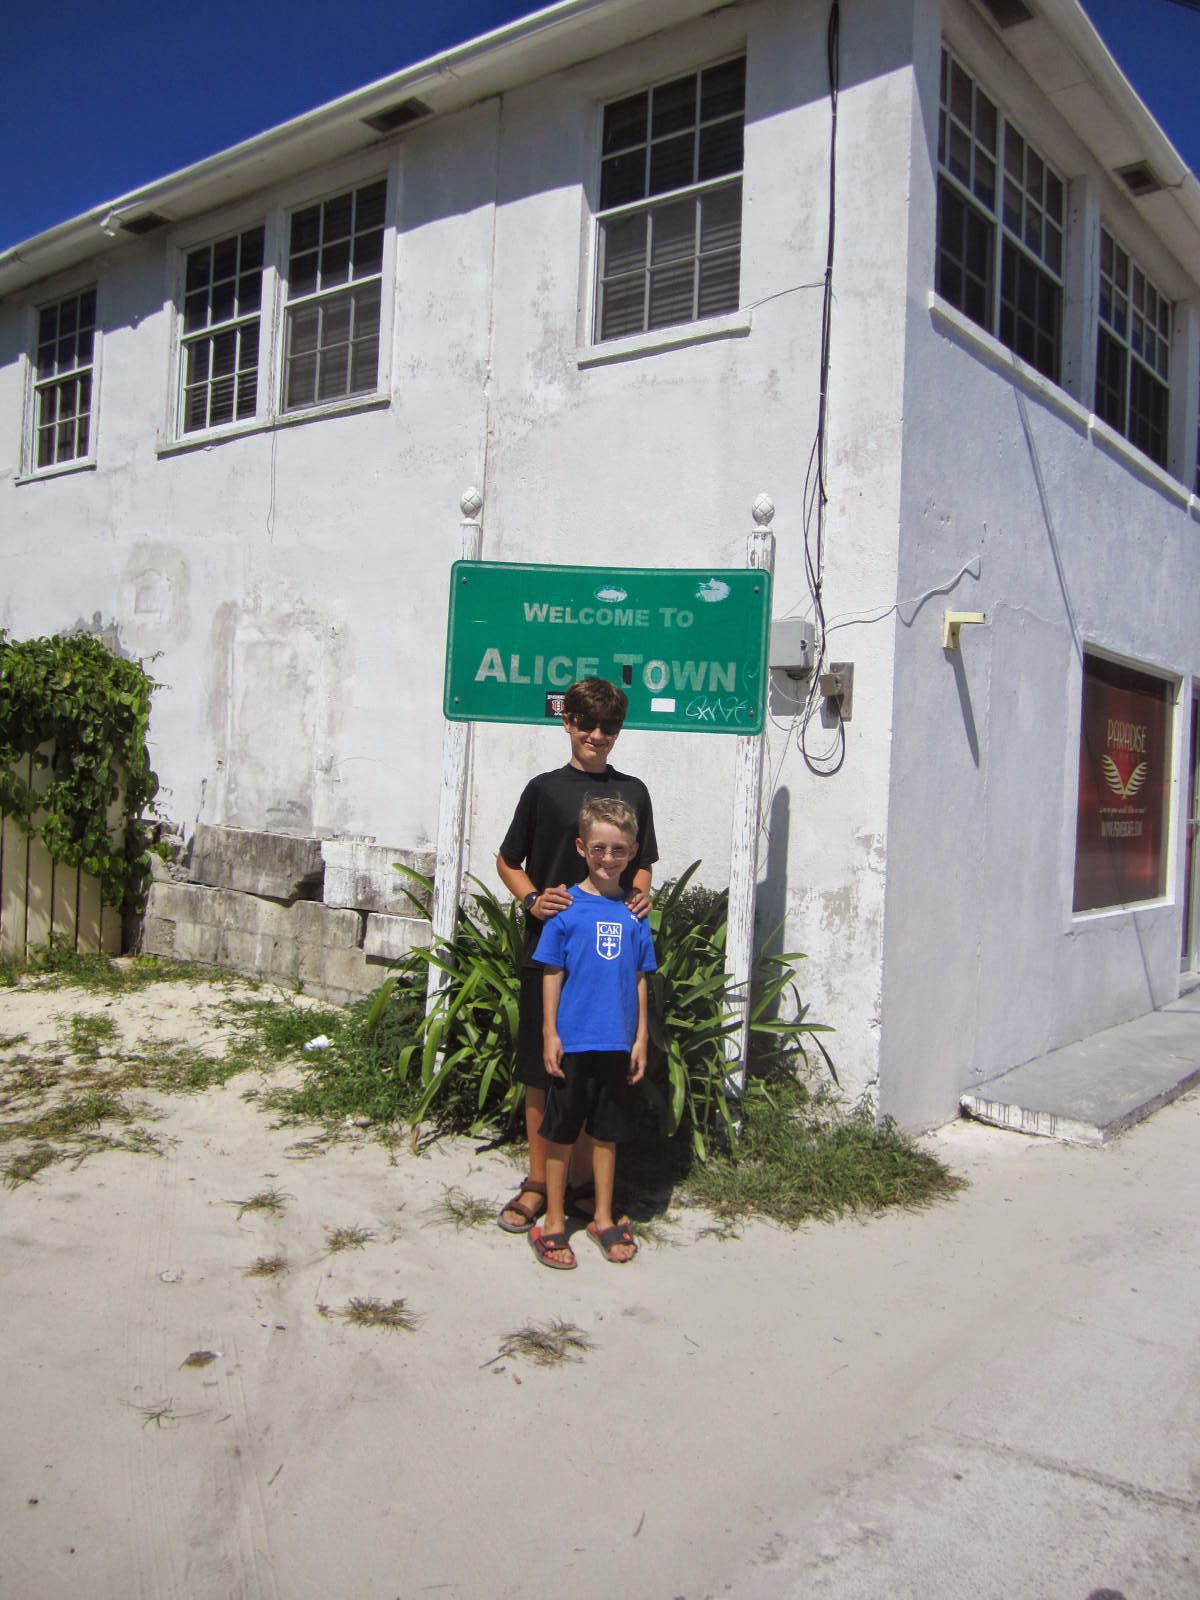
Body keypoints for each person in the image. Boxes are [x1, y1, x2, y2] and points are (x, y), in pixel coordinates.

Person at [495, 677, 657, 1234]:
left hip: (607, 962)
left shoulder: (633, 791)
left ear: (618, 731)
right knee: (545, 1068)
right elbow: (508, 861)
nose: (596, 735)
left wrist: (643, 893)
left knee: (597, 1067)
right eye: (585, 724)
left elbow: (643, 864)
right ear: (567, 723)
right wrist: (532, 899)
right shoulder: (543, 789)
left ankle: (584, 1184)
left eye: (608, 727)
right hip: (552, 953)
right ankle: (539, 1182)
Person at [528, 795, 656, 1267]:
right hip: (573, 1042)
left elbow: (641, 977)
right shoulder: (564, 908)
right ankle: (556, 1221)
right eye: (599, 848)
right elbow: (551, 973)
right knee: (560, 1133)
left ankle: (602, 1216)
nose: (608, 859)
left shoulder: (635, 914)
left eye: (619, 850)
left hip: (617, 1044)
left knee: (606, 1135)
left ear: (633, 852)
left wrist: (640, 1037)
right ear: (581, 847)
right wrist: (549, 1032)